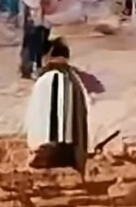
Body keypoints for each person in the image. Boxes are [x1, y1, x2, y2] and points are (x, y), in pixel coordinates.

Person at [24, 38, 90, 172]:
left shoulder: (44, 81)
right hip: (71, 154)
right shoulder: (73, 81)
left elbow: (34, 119)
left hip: (43, 153)